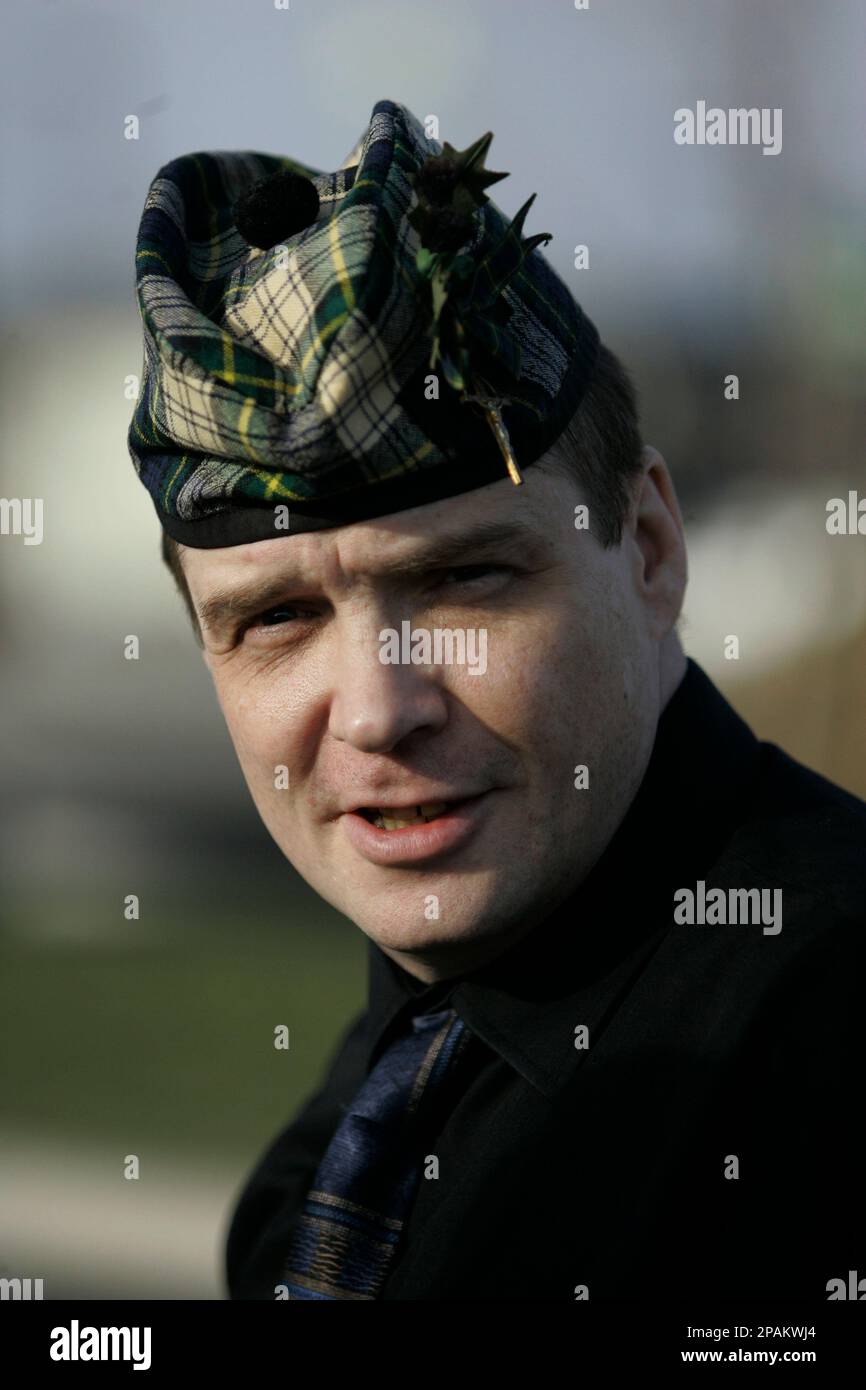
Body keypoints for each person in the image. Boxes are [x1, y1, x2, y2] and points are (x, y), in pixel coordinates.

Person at [128, 98, 865, 1301]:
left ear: (648, 548)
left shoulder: (824, 1057)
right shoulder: (368, 1110)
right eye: (276, 618)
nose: (375, 711)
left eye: (464, 575)